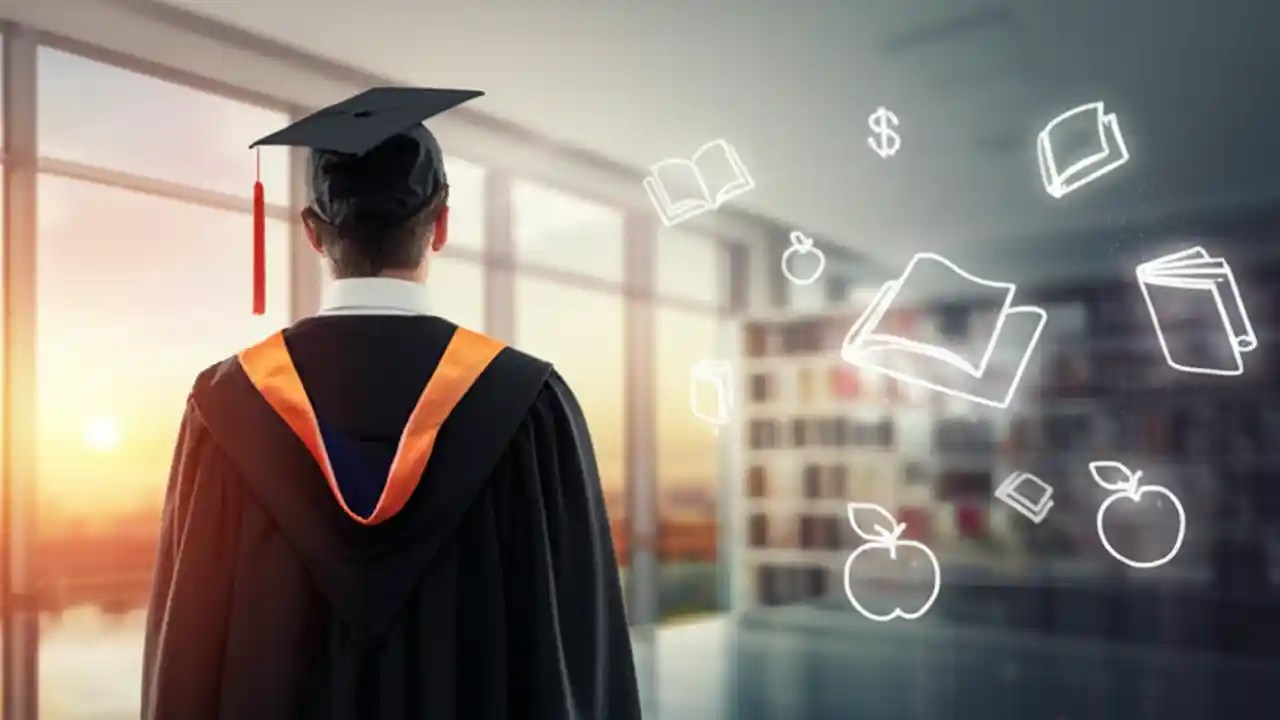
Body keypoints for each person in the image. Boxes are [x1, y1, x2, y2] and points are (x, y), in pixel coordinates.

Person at [142, 87, 640, 719]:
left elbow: (187, 651)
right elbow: (578, 650)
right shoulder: (527, 403)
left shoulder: (226, 406)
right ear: (441, 226)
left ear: (314, 235)